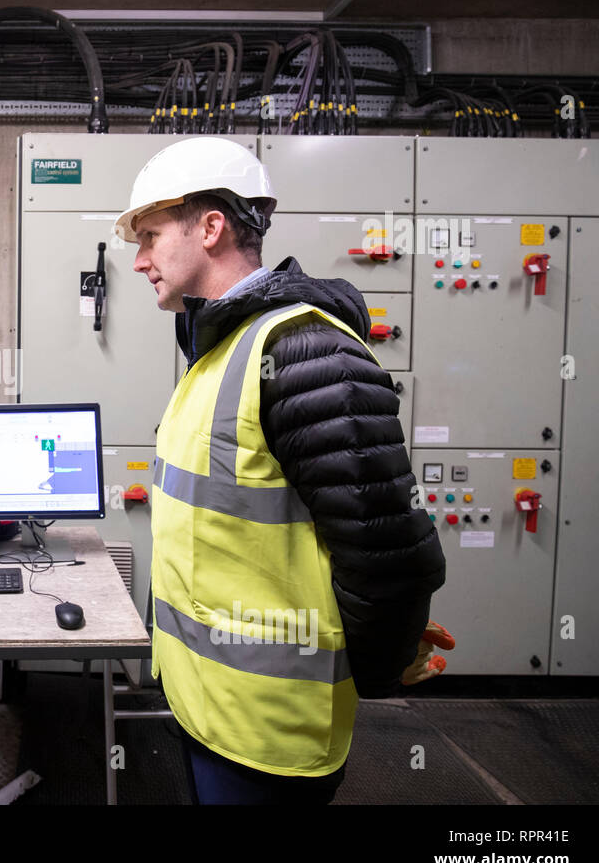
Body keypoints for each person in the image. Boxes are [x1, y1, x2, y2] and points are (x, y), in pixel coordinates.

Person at [114, 137, 449, 804]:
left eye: (149, 236)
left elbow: (389, 554)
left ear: (210, 227)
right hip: (208, 708)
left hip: (269, 736)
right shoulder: (222, 349)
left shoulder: (303, 351)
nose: (140, 260)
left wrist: (381, 661)